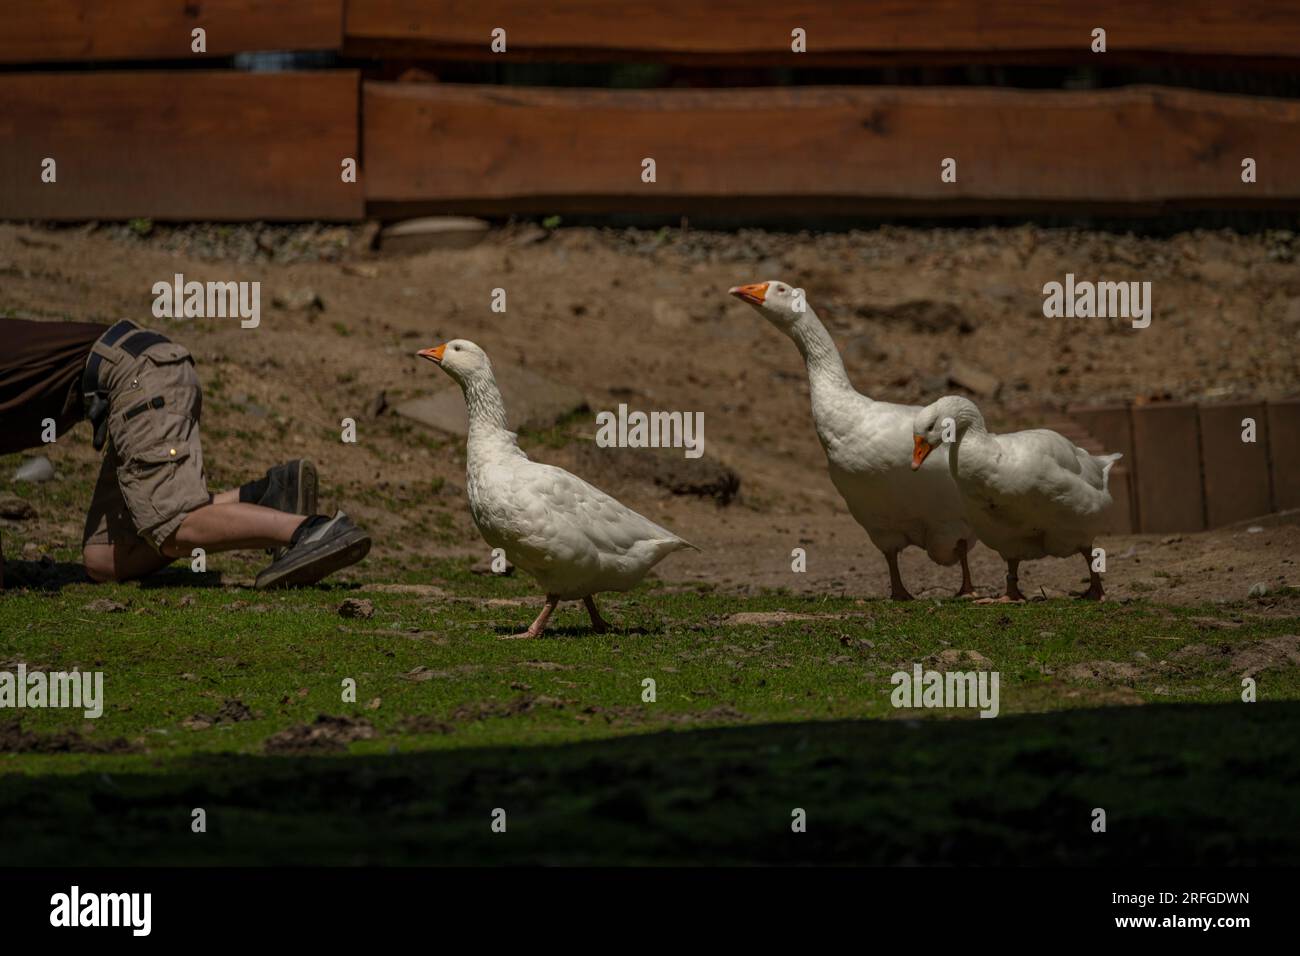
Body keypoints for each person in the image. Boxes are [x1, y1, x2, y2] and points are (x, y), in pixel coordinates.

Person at [0, 317, 370, 589]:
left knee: (174, 525)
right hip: (138, 374)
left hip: (137, 377)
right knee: (105, 559)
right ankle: (266, 496)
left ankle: (313, 530)